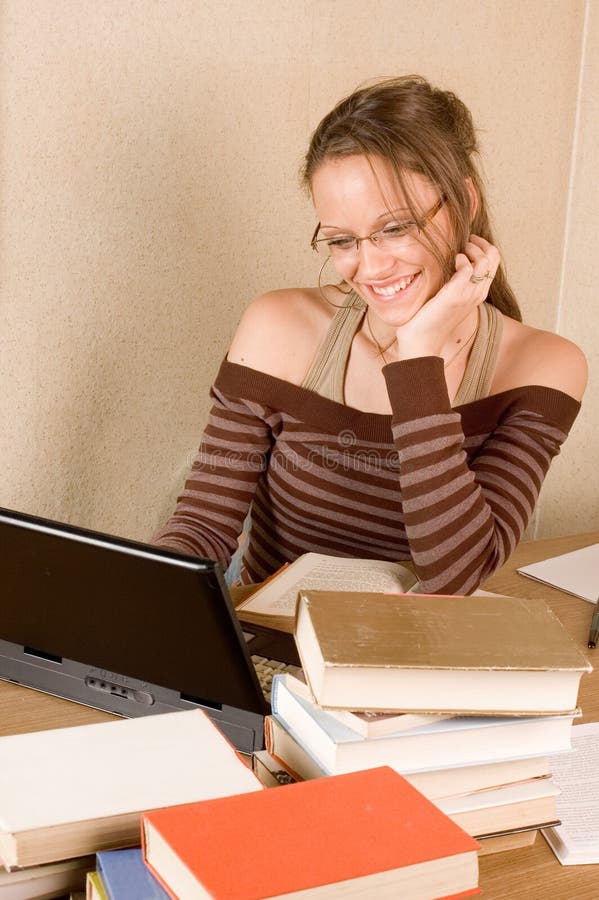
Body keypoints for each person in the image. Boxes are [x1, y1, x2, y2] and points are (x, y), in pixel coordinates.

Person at [153, 75, 586, 595]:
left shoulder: (546, 365)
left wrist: (417, 359)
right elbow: (201, 531)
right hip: (271, 657)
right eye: (342, 240)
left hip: (415, 668)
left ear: (464, 202)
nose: (371, 266)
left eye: (396, 228)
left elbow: (456, 577)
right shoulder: (278, 326)